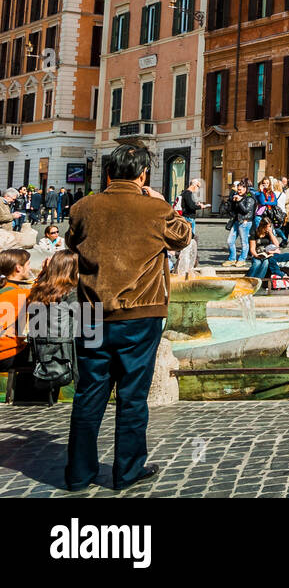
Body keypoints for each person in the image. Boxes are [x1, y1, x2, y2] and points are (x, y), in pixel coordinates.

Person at [64, 143, 192, 491]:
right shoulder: (155, 208)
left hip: (91, 312)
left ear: (108, 173)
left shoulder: (83, 207)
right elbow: (182, 237)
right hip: (140, 312)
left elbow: (71, 242)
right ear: (143, 174)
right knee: (133, 396)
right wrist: (160, 199)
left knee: (89, 393)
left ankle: (78, 473)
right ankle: (127, 471)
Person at [23, 250, 80, 405]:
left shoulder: (37, 291)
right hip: (67, 354)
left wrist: (42, 275)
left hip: (42, 353)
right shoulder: (73, 293)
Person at [0, 250, 35, 382]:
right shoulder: (21, 295)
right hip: (6, 355)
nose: (30, 268)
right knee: (45, 354)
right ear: (18, 268)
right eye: (28, 264)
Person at [222, 181, 255, 268]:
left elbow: (245, 210)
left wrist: (239, 201)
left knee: (244, 242)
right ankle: (232, 258)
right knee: (230, 241)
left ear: (245, 189)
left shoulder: (250, 197)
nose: (238, 191)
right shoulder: (237, 196)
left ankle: (242, 259)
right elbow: (232, 210)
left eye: (240, 189)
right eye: (238, 189)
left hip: (245, 221)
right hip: (237, 221)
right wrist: (232, 202)